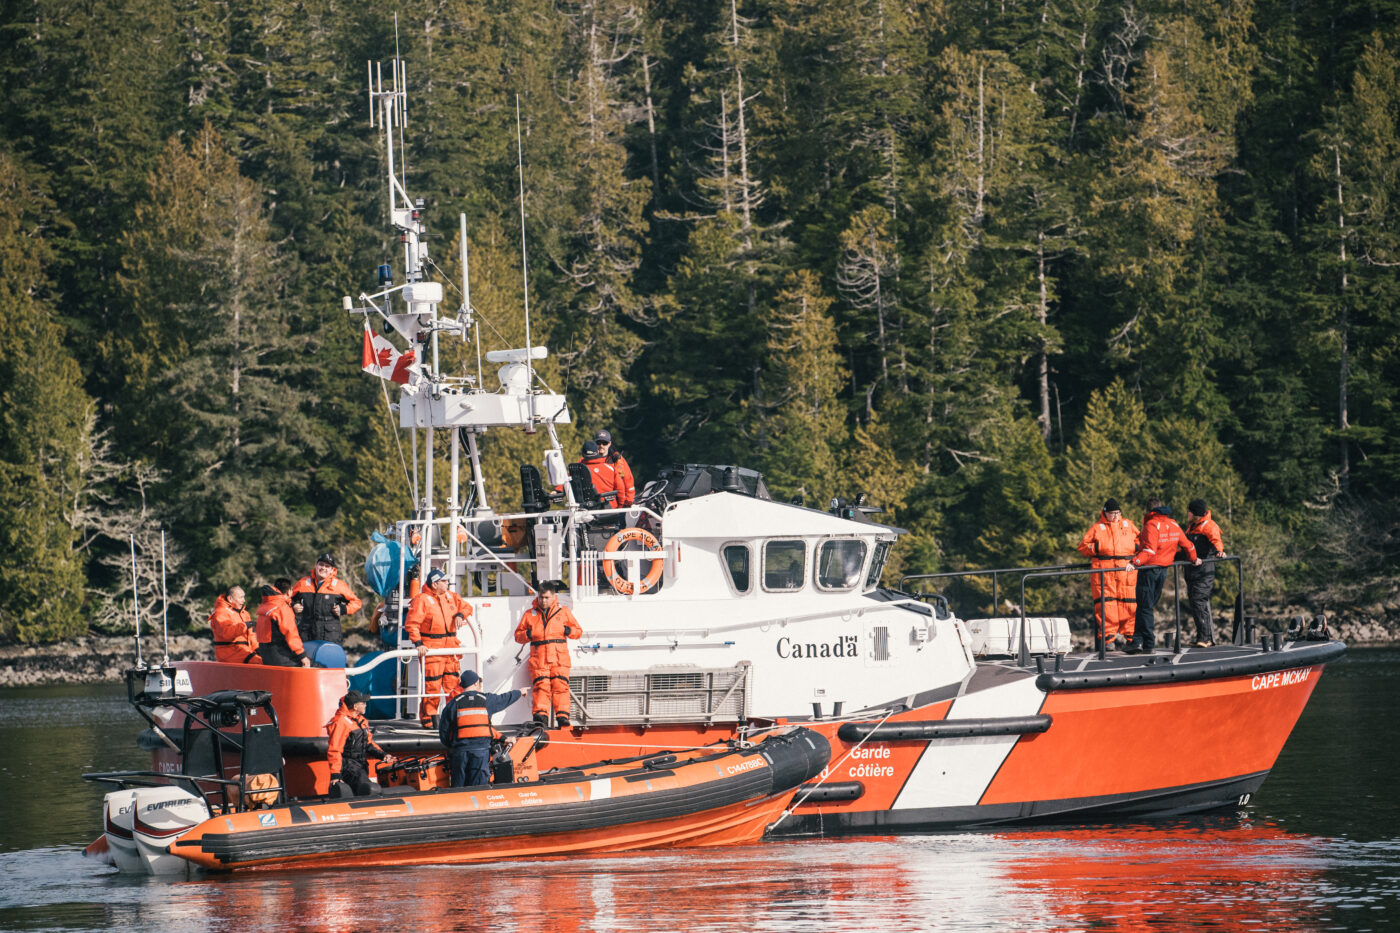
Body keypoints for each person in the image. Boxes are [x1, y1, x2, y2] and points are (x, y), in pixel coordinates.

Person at [1126, 499, 1200, 654]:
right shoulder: (1173, 524)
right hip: (1163, 570)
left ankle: (1148, 643)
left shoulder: (1151, 526)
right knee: (1145, 606)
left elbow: (1149, 551)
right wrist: (1194, 559)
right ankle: (1137, 641)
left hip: (1149, 570)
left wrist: (1135, 562)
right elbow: (1188, 545)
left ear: (1148, 511)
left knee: (1145, 606)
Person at [405, 567, 472, 728]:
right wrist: (418, 643)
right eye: (444, 581)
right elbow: (412, 624)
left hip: (451, 649)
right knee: (432, 686)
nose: (447, 583)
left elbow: (467, 607)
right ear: (435, 584)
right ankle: (430, 721)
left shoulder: (451, 597)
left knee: (453, 685)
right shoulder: (421, 600)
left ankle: (454, 718)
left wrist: (460, 615)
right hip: (432, 649)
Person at [513, 581, 582, 729]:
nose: (543, 601)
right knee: (541, 688)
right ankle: (540, 719)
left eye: (546, 597)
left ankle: (563, 718)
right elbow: (518, 636)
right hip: (539, 660)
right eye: (541, 597)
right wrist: (529, 634)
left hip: (559, 659)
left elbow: (578, 631)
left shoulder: (563, 612)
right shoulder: (529, 614)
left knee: (560, 686)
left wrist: (567, 631)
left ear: (553, 596)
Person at [437, 671, 523, 788]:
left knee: (458, 787)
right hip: (480, 752)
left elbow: (444, 732)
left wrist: (453, 746)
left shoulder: (452, 704)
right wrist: (520, 692)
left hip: (460, 753)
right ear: (476, 683)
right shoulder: (487, 700)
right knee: (479, 787)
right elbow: (505, 698)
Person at [1076, 499, 1139, 650]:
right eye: (1112, 513)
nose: (1115, 516)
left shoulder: (1129, 525)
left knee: (1129, 604)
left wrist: (1134, 546)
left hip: (1126, 571)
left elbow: (1141, 540)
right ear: (1105, 513)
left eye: (1118, 513)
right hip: (1104, 572)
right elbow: (1083, 547)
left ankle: (1130, 637)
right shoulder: (1097, 528)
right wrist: (1098, 547)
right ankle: (1108, 639)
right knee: (1106, 605)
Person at [326, 690, 395, 796]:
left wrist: (383, 755)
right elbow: (335, 749)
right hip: (349, 766)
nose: (366, 705)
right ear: (355, 706)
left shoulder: (362, 721)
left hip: (360, 765)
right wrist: (335, 773)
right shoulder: (341, 722)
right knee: (369, 789)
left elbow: (368, 743)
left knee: (362, 790)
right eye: (363, 703)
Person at [291, 553, 362, 646]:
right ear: (316, 566)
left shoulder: (339, 585)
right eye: (321, 564)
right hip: (306, 634)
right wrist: (293, 606)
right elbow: (285, 599)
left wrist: (343, 609)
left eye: (327, 566)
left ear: (332, 570)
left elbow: (357, 602)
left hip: (330, 635)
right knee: (304, 660)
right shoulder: (303, 583)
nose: (323, 568)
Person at [1183, 499, 1227, 647]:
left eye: (1189, 511)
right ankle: (1202, 637)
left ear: (1194, 513)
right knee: (1195, 603)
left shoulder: (1208, 526)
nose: (1187, 513)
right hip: (1191, 572)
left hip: (1204, 571)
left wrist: (1219, 552)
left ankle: (1206, 638)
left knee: (1199, 600)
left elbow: (1216, 541)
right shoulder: (1191, 527)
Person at [256, 578, 312, 667]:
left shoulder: (266, 605)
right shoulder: (282, 608)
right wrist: (302, 655)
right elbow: (291, 634)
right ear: (289, 591)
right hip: (280, 654)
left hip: (266, 654)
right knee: (315, 665)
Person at [209, 586, 262, 664]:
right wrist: (245, 626)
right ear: (230, 599)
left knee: (267, 659)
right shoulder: (221, 612)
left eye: (244, 597)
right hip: (229, 652)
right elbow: (226, 633)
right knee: (259, 662)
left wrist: (257, 648)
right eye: (240, 597)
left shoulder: (244, 614)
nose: (244, 600)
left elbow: (251, 635)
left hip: (244, 650)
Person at [577, 440, 627, 505]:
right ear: (597, 452)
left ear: (582, 454)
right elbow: (621, 490)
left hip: (583, 509)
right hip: (607, 509)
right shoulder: (610, 468)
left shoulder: (577, 469)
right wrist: (621, 506)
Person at [594, 430, 635, 507]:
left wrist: (628, 501)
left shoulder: (617, 460)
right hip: (593, 503)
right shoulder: (587, 460)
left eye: (604, 443)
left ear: (609, 444)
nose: (601, 446)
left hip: (613, 503)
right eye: (598, 443)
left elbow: (628, 482)